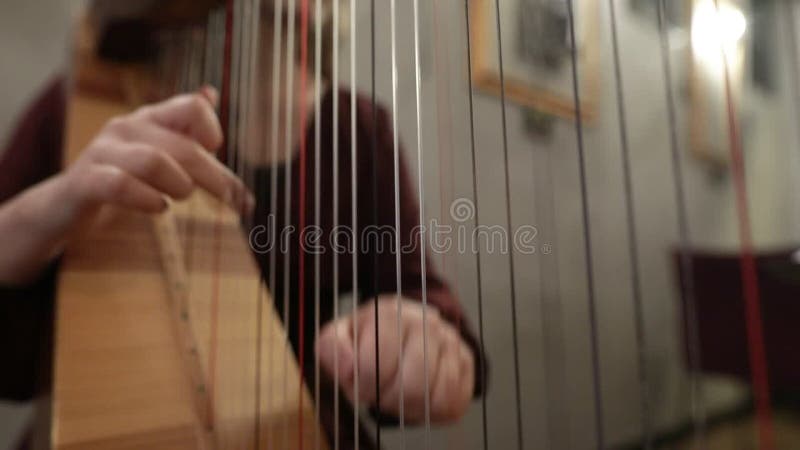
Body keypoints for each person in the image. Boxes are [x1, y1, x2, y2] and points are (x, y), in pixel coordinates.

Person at [0, 1, 484, 448]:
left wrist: (423, 347)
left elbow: (422, 296)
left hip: (299, 424)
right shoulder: (92, 98)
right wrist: (32, 221)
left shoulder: (361, 131)